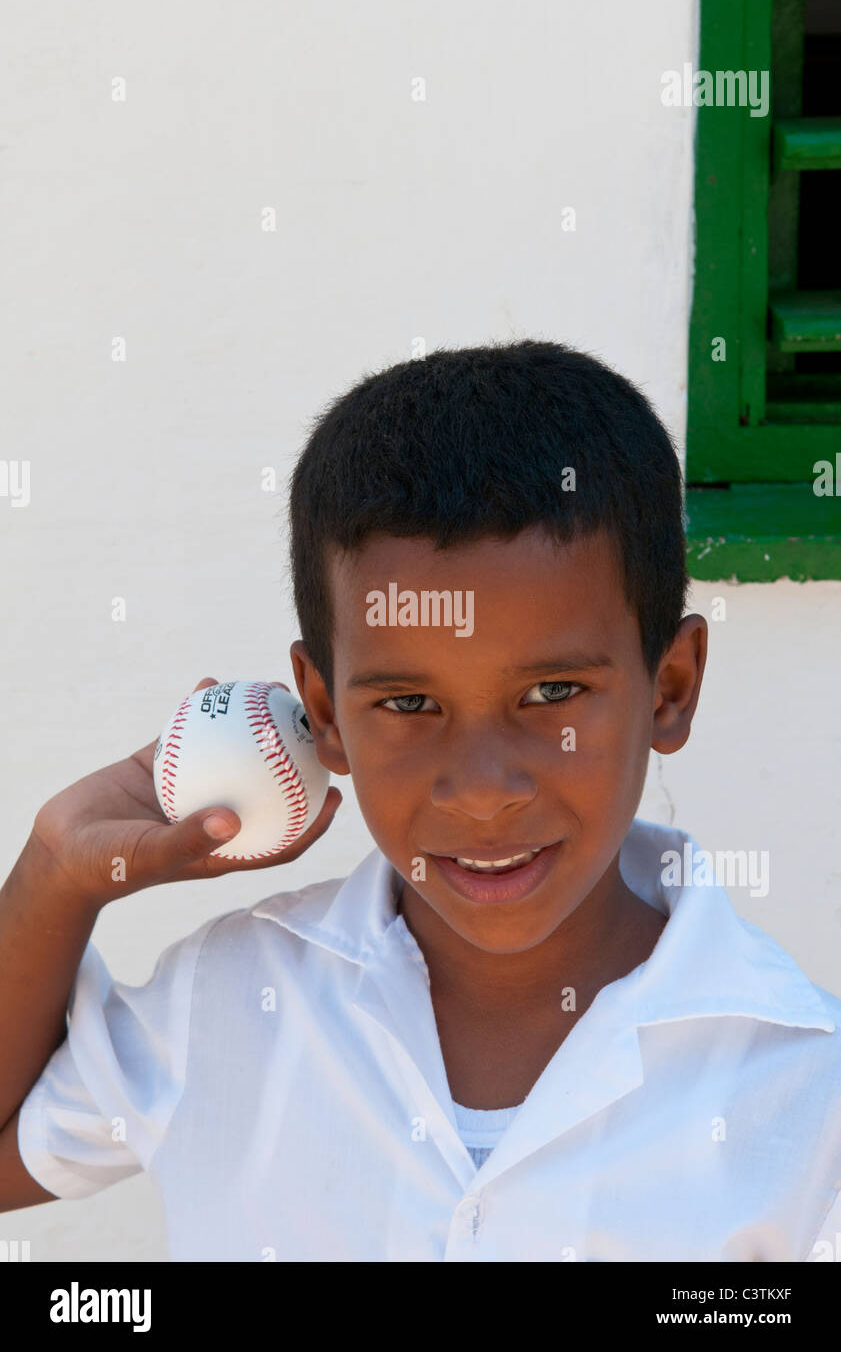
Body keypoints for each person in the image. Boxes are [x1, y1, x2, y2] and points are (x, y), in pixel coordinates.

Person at [1, 340, 840, 1261]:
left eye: (551, 694)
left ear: (669, 687)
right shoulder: (230, 1000)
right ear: (321, 713)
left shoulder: (807, 1097)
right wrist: (56, 870)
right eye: (408, 704)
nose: (483, 792)